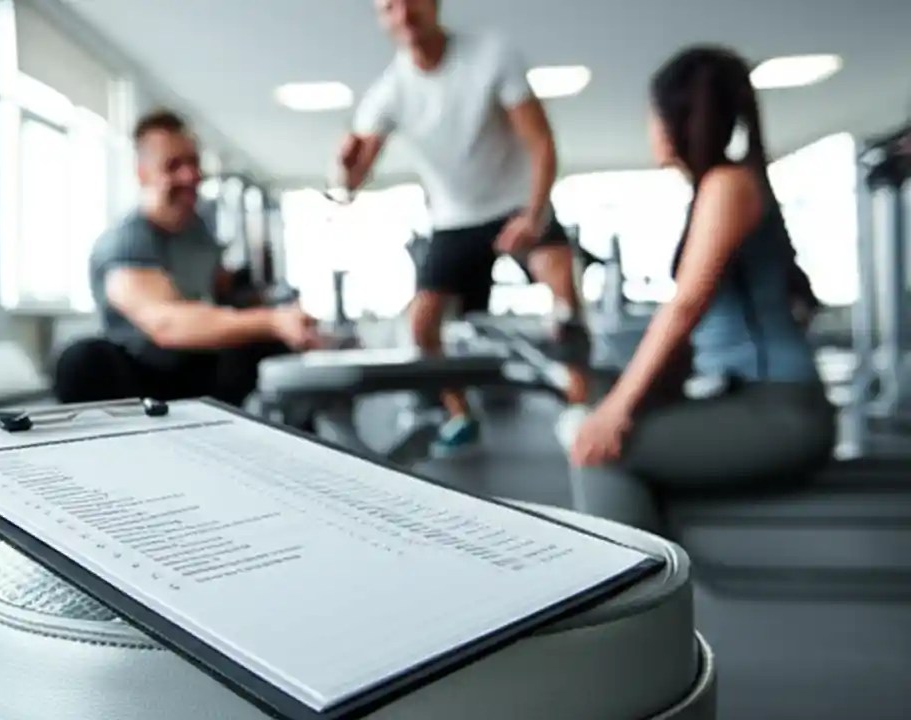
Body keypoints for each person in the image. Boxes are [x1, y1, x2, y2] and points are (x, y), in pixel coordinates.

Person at [564, 46, 837, 533]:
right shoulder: (728, 184)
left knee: (599, 450)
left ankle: (636, 601)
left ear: (675, 117)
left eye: (652, 116)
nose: (649, 128)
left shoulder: (728, 183)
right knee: (593, 420)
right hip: (749, 397)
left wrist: (617, 412)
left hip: (781, 412)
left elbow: (687, 303)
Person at [339, 0, 588, 452]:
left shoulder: (492, 54)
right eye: (388, 7)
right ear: (381, 19)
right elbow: (353, 181)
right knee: (421, 327)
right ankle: (460, 414)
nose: (403, 14)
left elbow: (541, 143)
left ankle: (578, 404)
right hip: (455, 219)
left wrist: (534, 216)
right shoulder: (388, 93)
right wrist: (344, 169)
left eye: (410, 1)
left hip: (516, 204)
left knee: (564, 289)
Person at [52, 110, 321, 407]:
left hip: (194, 368)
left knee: (267, 343)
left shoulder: (199, 231)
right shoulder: (125, 242)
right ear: (143, 174)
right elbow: (166, 324)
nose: (190, 175)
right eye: (173, 166)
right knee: (81, 359)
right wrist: (272, 320)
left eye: (193, 163)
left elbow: (219, 290)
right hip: (142, 376)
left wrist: (282, 310)